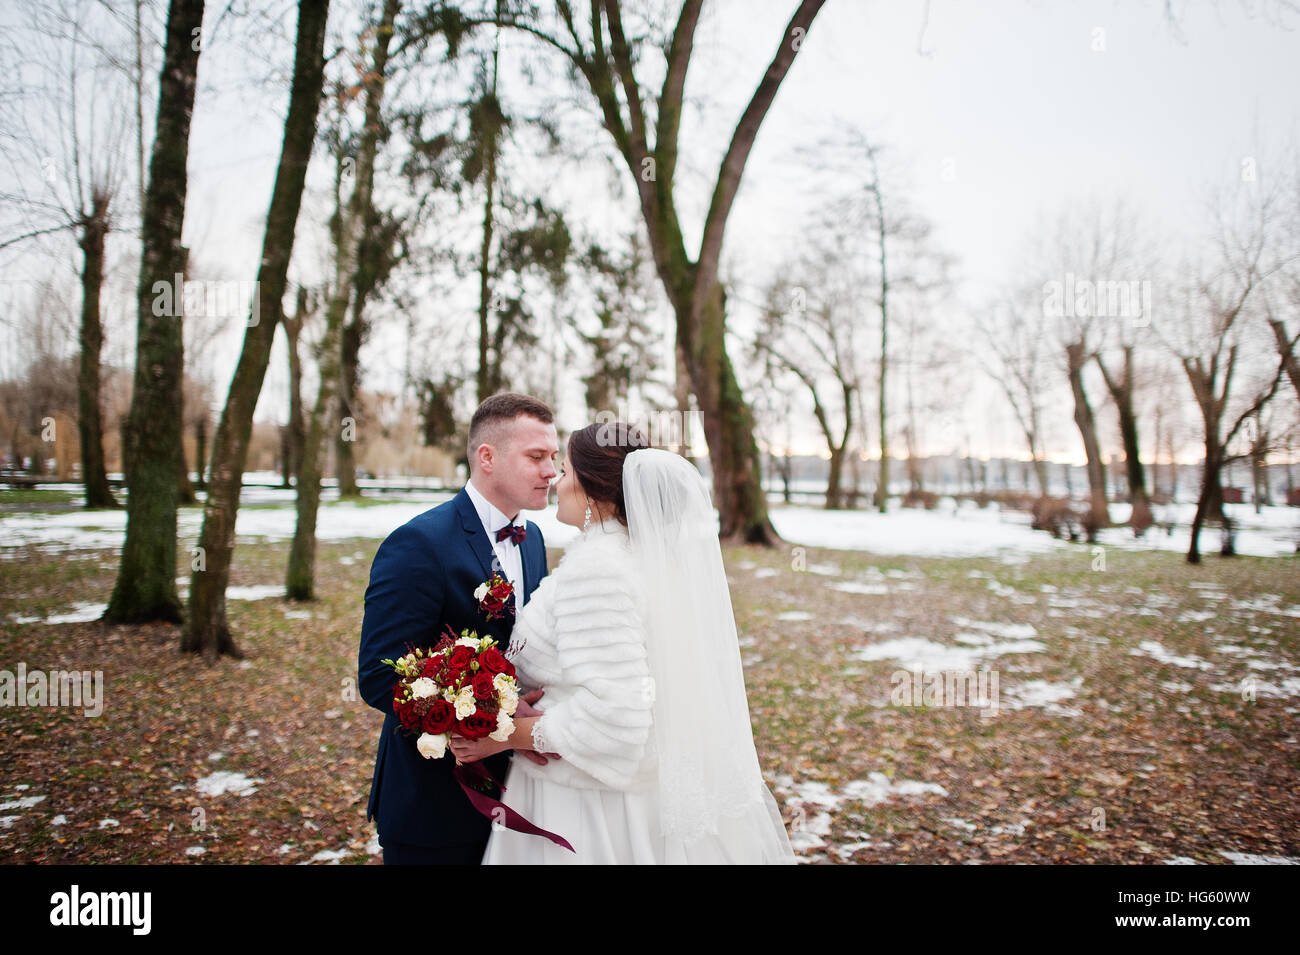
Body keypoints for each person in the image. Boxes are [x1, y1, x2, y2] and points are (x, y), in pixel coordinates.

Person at [450, 422, 795, 864]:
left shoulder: (598, 571)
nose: (557, 478)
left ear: (594, 491)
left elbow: (615, 718)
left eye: (568, 469)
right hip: (604, 791)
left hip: (583, 812)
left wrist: (502, 737)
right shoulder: (627, 554)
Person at [358, 393, 559, 865]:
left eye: (553, 457)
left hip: (520, 799)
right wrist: (499, 717)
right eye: (536, 457)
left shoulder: (533, 542)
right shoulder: (418, 544)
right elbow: (380, 676)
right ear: (486, 457)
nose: (552, 471)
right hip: (434, 806)